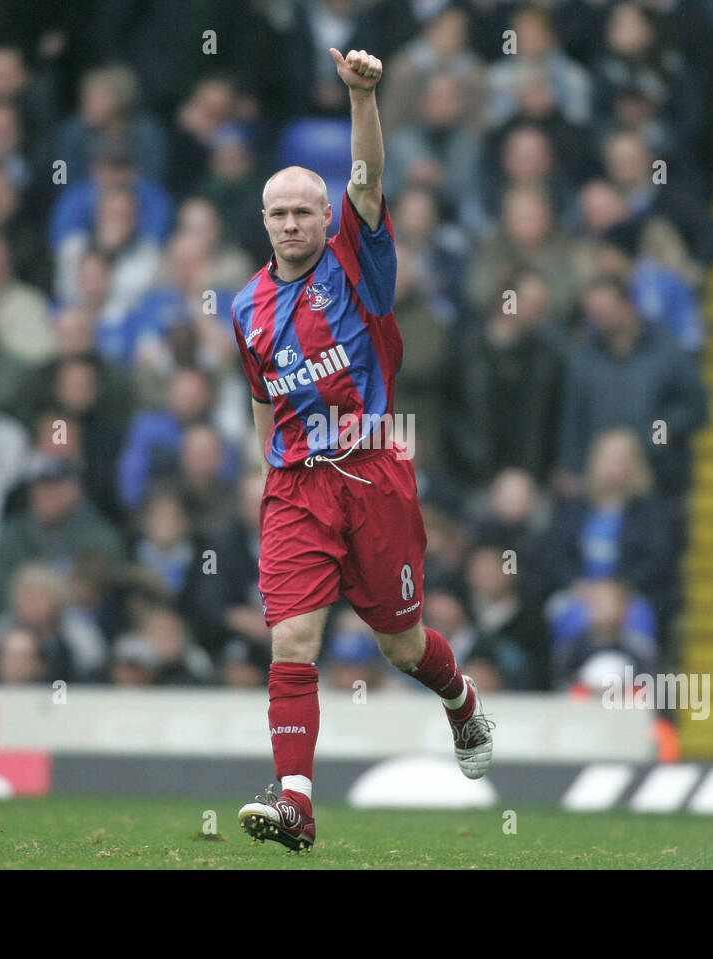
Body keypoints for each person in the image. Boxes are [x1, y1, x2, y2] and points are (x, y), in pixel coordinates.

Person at [231, 48, 493, 853]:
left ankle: (460, 701)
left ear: (323, 216)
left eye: (305, 211)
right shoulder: (246, 305)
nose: (292, 223)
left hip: (376, 473)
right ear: (265, 222)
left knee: (401, 646)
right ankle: (297, 804)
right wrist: (260, 469)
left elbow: (369, 179)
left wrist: (362, 98)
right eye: (279, 214)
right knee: (293, 641)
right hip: (297, 488)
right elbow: (260, 395)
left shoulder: (358, 261)